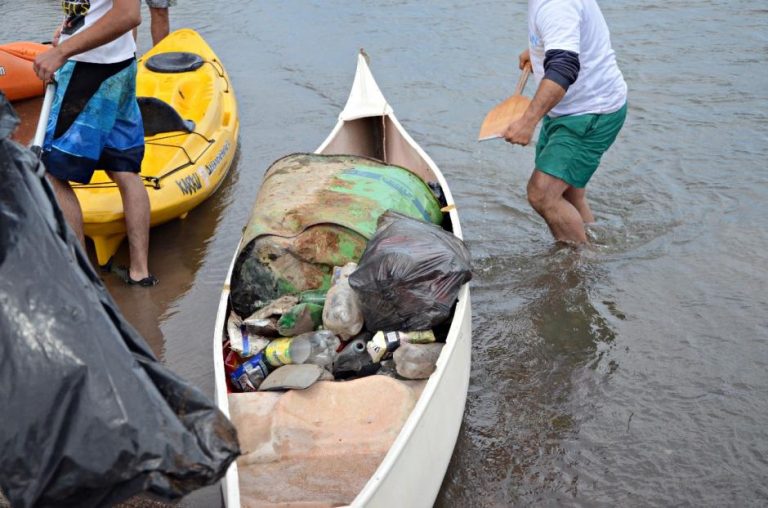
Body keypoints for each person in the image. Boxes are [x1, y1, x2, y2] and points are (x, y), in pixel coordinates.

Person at [33, 0, 158, 286]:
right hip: (119, 67)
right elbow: (96, 9)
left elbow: (128, 15)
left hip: (90, 72)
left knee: (49, 168)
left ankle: (82, 279)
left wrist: (62, 51)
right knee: (124, 168)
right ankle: (140, 273)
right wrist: (69, 28)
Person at [503, 0, 627, 245]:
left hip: (590, 113)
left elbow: (563, 67)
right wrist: (539, 50)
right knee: (569, 193)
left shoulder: (555, 5)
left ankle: (580, 261)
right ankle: (593, 245)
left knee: (543, 194)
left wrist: (528, 121)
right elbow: (569, 37)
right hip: (573, 106)